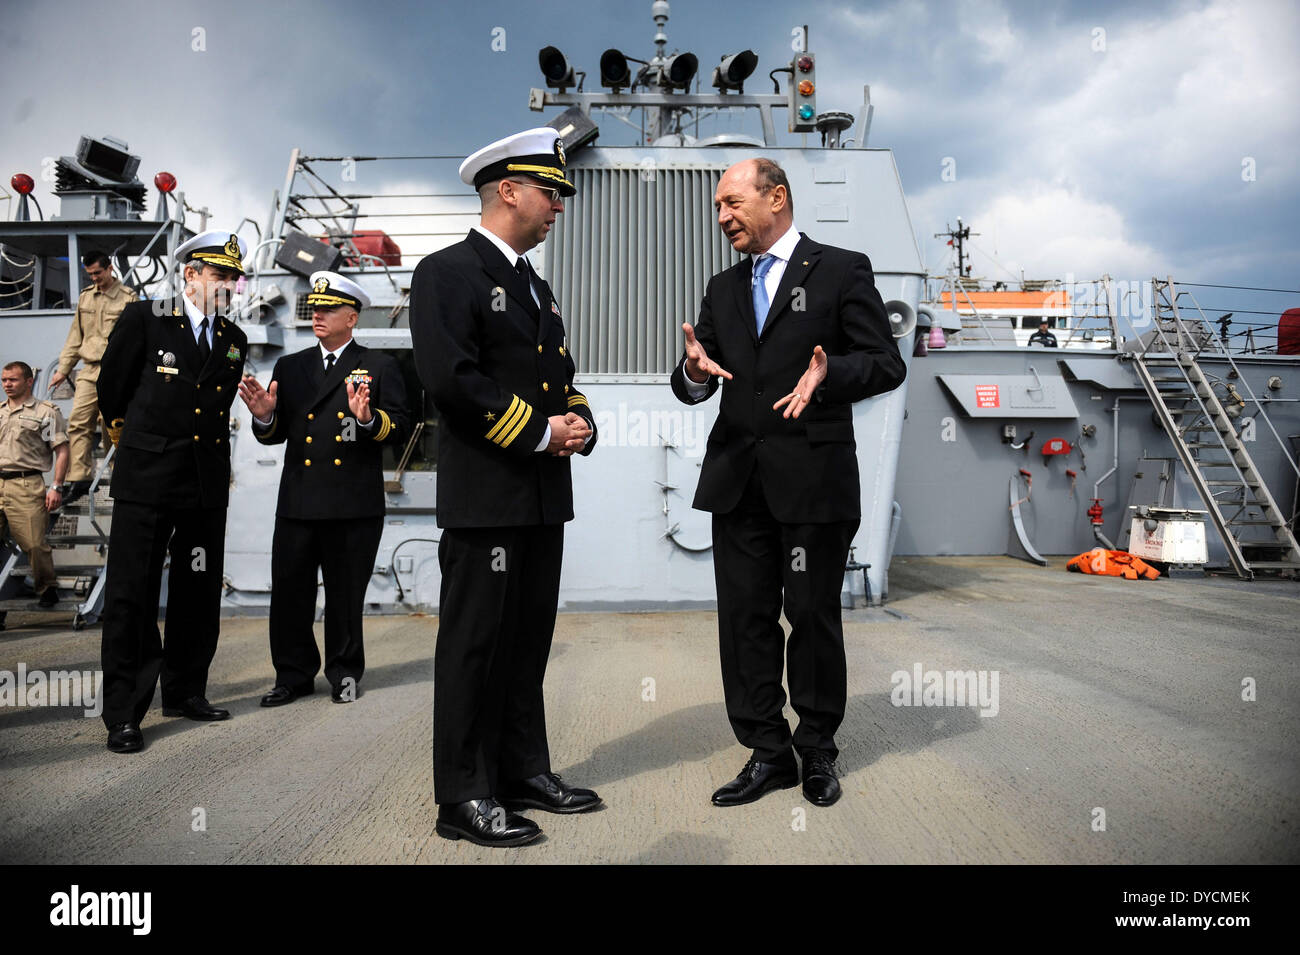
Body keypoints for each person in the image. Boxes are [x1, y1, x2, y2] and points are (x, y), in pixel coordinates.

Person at [670, 158, 906, 808]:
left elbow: (885, 362)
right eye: (717, 207)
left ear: (777, 197)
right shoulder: (722, 288)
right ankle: (767, 750)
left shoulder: (841, 269)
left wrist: (830, 375)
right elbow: (696, 374)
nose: (721, 217)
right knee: (745, 621)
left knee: (811, 617)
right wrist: (691, 373)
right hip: (737, 483)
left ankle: (818, 750)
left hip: (813, 479)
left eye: (731, 202)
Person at [410, 127, 600, 847]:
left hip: (540, 499)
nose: (557, 206)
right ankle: (462, 795)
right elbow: (451, 380)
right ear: (510, 190)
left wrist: (579, 421)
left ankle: (523, 771)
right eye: (550, 193)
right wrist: (543, 431)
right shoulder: (447, 272)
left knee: (525, 642)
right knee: (474, 647)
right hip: (487, 498)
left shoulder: (535, 287)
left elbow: (562, 378)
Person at [96, 230, 249, 754]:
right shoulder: (146, 317)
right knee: (131, 594)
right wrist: (133, 438)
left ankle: (186, 691)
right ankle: (123, 712)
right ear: (191, 274)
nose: (229, 284)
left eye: (234, 276)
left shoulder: (233, 339)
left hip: (204, 481)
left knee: (197, 592)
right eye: (219, 275)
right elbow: (111, 388)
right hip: (148, 477)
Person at [238, 271, 408, 707]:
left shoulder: (380, 365)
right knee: (290, 595)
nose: (318, 315)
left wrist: (367, 420)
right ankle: (292, 677)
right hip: (298, 501)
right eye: (315, 309)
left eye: (329, 310)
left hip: (352, 504)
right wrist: (263, 416)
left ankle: (344, 675)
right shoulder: (292, 367)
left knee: (345, 598)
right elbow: (277, 434)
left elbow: (401, 428)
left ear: (351, 318)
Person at [50, 252, 137, 503]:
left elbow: (134, 339)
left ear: (110, 269)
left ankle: (118, 472)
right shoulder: (86, 297)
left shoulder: (128, 299)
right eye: (90, 275)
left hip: (116, 370)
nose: (95, 278)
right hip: (89, 370)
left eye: (98, 273)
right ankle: (80, 478)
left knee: (111, 425)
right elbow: (75, 337)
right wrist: (63, 369)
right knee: (77, 421)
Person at [0, 361, 69, 609]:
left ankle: (47, 586)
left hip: (25, 484)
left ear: (29, 381)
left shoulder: (45, 413)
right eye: (4, 380)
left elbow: (61, 450)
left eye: (13, 380)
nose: (7, 384)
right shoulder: (0, 412)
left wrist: (57, 486)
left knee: (34, 544)